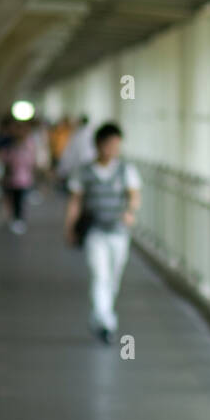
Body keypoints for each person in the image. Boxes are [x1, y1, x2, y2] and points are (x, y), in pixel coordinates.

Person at [64, 122, 141, 343]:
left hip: (118, 231)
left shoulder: (126, 170)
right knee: (100, 275)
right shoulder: (84, 171)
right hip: (95, 231)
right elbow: (75, 201)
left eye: (116, 145)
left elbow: (134, 195)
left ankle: (101, 313)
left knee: (114, 276)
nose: (112, 149)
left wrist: (130, 212)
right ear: (98, 145)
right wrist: (69, 227)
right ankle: (106, 321)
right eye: (108, 144)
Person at [0, 120, 37, 234]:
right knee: (14, 198)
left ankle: (18, 218)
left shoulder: (27, 144)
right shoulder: (11, 143)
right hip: (13, 177)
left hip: (22, 177)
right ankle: (15, 218)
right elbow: (5, 158)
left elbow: (31, 160)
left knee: (19, 199)